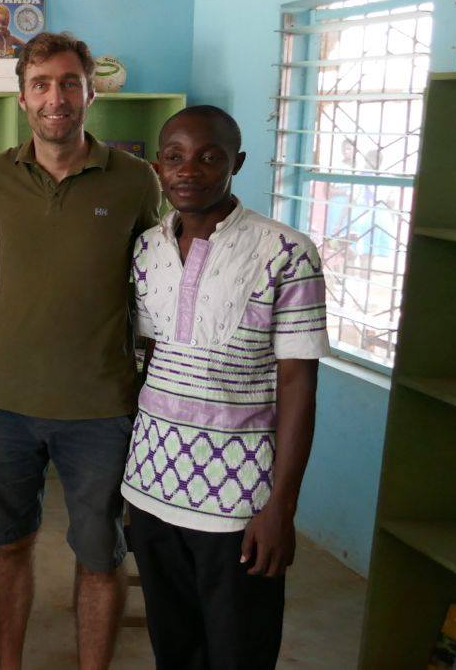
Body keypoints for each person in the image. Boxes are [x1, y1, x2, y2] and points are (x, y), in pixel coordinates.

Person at [0, 31, 160, 670]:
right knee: (7, 545)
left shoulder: (137, 181)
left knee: (99, 554)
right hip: (3, 401)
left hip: (101, 406)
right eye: (42, 85)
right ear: (22, 96)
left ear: (91, 90)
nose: (57, 98)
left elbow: (155, 287)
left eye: (69, 83)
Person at [122, 106, 329, 669]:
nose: (190, 170)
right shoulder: (146, 250)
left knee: (239, 653)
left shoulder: (287, 252)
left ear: (235, 163)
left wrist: (280, 507)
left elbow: (298, 386)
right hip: (152, 492)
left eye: (209, 156)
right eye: (175, 157)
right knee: (176, 650)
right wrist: (130, 488)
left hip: (239, 504)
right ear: (157, 167)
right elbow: (149, 364)